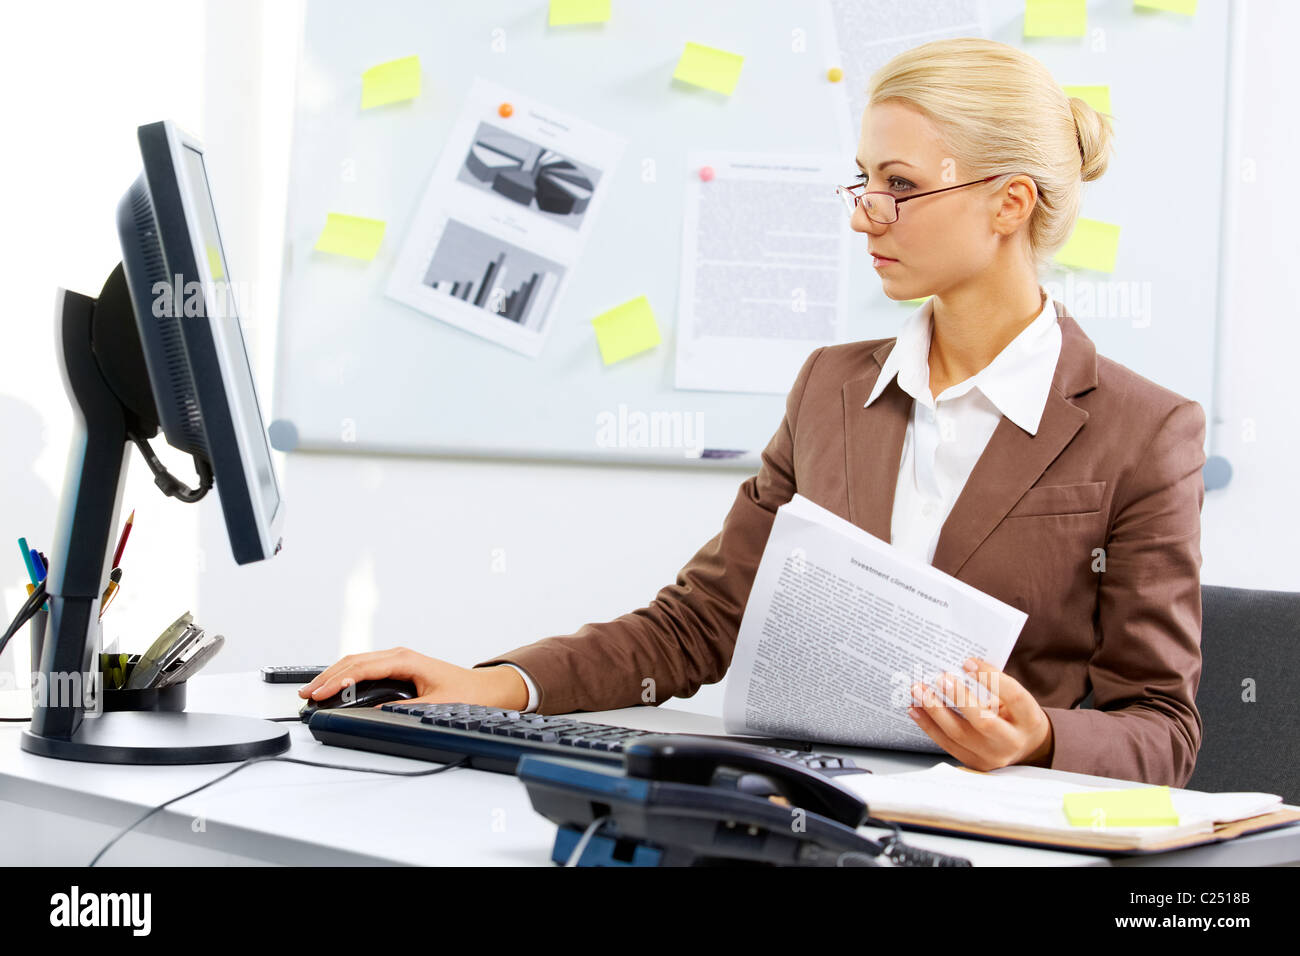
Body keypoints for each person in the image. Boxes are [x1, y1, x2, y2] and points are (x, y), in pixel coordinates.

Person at [300, 37, 1205, 788]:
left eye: (899, 184)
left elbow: (1160, 730)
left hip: (994, 838)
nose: (866, 218)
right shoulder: (831, 388)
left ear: (1009, 201)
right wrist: (493, 683)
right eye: (862, 181)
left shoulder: (1144, 430)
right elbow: (702, 621)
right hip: (804, 812)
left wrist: (1040, 737)